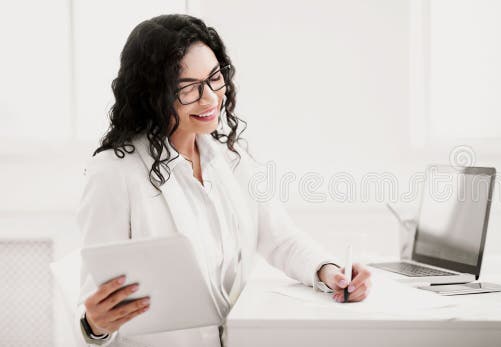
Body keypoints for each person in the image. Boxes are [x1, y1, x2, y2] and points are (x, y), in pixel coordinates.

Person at [75, 14, 372, 347]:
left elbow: (281, 238)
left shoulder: (231, 158)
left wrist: (331, 273)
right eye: (188, 88)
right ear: (152, 93)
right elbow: (94, 305)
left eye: (215, 78)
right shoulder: (114, 172)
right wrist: (93, 325)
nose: (211, 98)